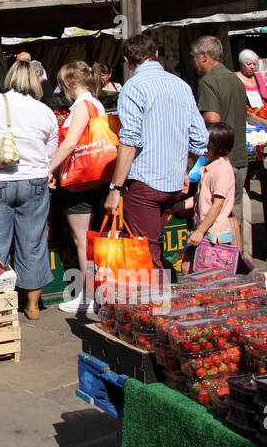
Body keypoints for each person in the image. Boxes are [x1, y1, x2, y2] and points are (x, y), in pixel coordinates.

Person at [104, 34, 208, 272]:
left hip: (145, 183)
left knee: (147, 255)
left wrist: (115, 189)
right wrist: (183, 169)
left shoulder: (133, 87)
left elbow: (129, 142)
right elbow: (200, 138)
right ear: (157, 54)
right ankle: (158, 301)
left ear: (128, 61)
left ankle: (158, 304)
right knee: (152, 248)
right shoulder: (180, 85)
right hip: (171, 183)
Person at [0, 59, 59, 320]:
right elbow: (50, 149)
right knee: (33, 243)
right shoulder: (45, 111)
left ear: (10, 77)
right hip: (35, 182)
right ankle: (32, 306)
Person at [48, 61, 107, 315]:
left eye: (62, 85)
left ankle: (89, 296)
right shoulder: (96, 103)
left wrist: (50, 168)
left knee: (82, 241)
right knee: (90, 240)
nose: (62, 90)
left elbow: (71, 143)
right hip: (97, 178)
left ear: (72, 83)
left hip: (81, 181)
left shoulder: (82, 105)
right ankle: (94, 292)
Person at [191, 35, 249, 241]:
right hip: (240, 156)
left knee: (216, 216)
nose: (193, 62)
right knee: (233, 214)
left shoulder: (209, 81)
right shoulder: (235, 78)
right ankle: (239, 259)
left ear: (204, 56)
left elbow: (213, 119)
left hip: (221, 159)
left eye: (194, 57)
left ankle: (221, 263)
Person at [183, 123, 240, 274]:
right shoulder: (211, 167)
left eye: (207, 144)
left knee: (205, 275)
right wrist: (176, 207)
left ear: (219, 147)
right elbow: (201, 199)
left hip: (213, 234)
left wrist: (200, 231)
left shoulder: (221, 171)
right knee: (187, 267)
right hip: (204, 230)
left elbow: (217, 205)